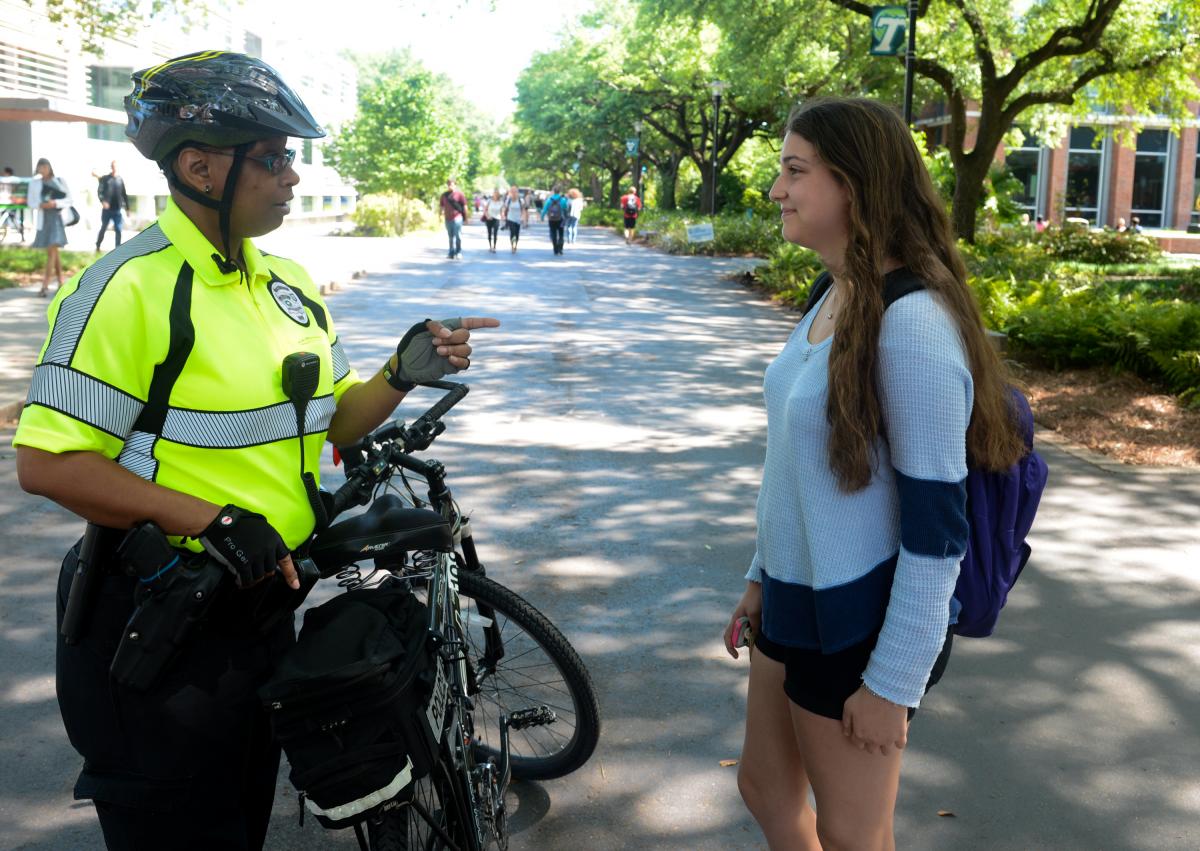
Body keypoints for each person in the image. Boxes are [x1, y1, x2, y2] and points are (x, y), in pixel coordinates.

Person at [13, 51, 499, 851]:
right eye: (271, 159)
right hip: (159, 626)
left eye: (289, 160)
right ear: (200, 167)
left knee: (239, 825)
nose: (291, 178)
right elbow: (49, 461)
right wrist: (210, 518)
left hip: (263, 615)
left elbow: (338, 424)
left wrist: (399, 373)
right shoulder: (126, 289)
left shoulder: (288, 284)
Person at [724, 96, 1025, 851]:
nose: (775, 190)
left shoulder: (915, 327)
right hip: (793, 599)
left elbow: (936, 535)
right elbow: (795, 467)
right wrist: (762, 574)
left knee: (857, 836)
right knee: (764, 785)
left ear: (853, 184)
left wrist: (893, 682)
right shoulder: (835, 290)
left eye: (795, 171)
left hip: (857, 625)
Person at [28, 157, 73, 297]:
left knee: (51, 252)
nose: (43, 169)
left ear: (49, 167)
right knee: (53, 252)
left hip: (57, 219)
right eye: (40, 167)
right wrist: (41, 205)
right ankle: (61, 282)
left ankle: (44, 286)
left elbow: (69, 200)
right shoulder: (34, 183)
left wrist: (54, 203)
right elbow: (31, 202)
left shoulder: (60, 181)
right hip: (44, 219)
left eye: (45, 167)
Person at [93, 160, 130, 251]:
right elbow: (99, 191)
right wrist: (103, 201)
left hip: (117, 209)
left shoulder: (120, 179)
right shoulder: (106, 179)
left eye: (116, 166)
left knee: (118, 229)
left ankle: (117, 249)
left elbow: (124, 194)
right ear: (111, 167)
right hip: (107, 210)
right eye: (113, 166)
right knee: (104, 227)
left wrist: (128, 208)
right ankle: (98, 245)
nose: (114, 168)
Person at [439, 177, 469, 259]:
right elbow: (441, 206)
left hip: (457, 218)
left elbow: (465, 206)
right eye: (448, 184)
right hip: (447, 218)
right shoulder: (444, 195)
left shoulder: (459, 195)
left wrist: (466, 218)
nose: (450, 186)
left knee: (458, 236)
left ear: (455, 185)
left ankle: (458, 251)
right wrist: (440, 215)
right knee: (450, 236)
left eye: (452, 184)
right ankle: (451, 252)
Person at [542, 183, 570, 255]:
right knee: (561, 234)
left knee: (553, 234)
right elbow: (565, 209)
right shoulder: (563, 200)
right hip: (560, 219)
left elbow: (545, 209)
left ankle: (555, 249)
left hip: (551, 219)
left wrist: (542, 217)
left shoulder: (549, 200)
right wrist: (566, 217)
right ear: (559, 191)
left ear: (553, 191)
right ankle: (560, 248)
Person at [1, 165, 26, 242]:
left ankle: (8, 230)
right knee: (10, 215)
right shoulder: (17, 180)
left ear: (7, 173)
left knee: (7, 214)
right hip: (15, 204)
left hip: (9, 204)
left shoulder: (5, 180)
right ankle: (17, 231)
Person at [503, 185, 525, 253]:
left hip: (518, 219)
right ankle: (512, 245)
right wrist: (504, 216)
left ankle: (516, 245)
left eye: (515, 191)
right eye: (512, 191)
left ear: (517, 192)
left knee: (517, 234)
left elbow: (523, 210)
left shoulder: (521, 200)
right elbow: (505, 209)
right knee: (512, 232)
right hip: (510, 218)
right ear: (510, 192)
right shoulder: (508, 200)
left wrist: (523, 217)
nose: (514, 193)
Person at [483, 188, 505, 253]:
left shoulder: (501, 202)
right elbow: (485, 210)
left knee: (495, 233)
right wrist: (487, 216)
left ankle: (494, 247)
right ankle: (490, 246)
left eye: (496, 194)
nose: (495, 195)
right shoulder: (489, 201)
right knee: (489, 233)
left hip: (497, 218)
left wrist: (503, 216)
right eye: (494, 193)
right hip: (489, 218)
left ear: (498, 195)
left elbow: (502, 211)